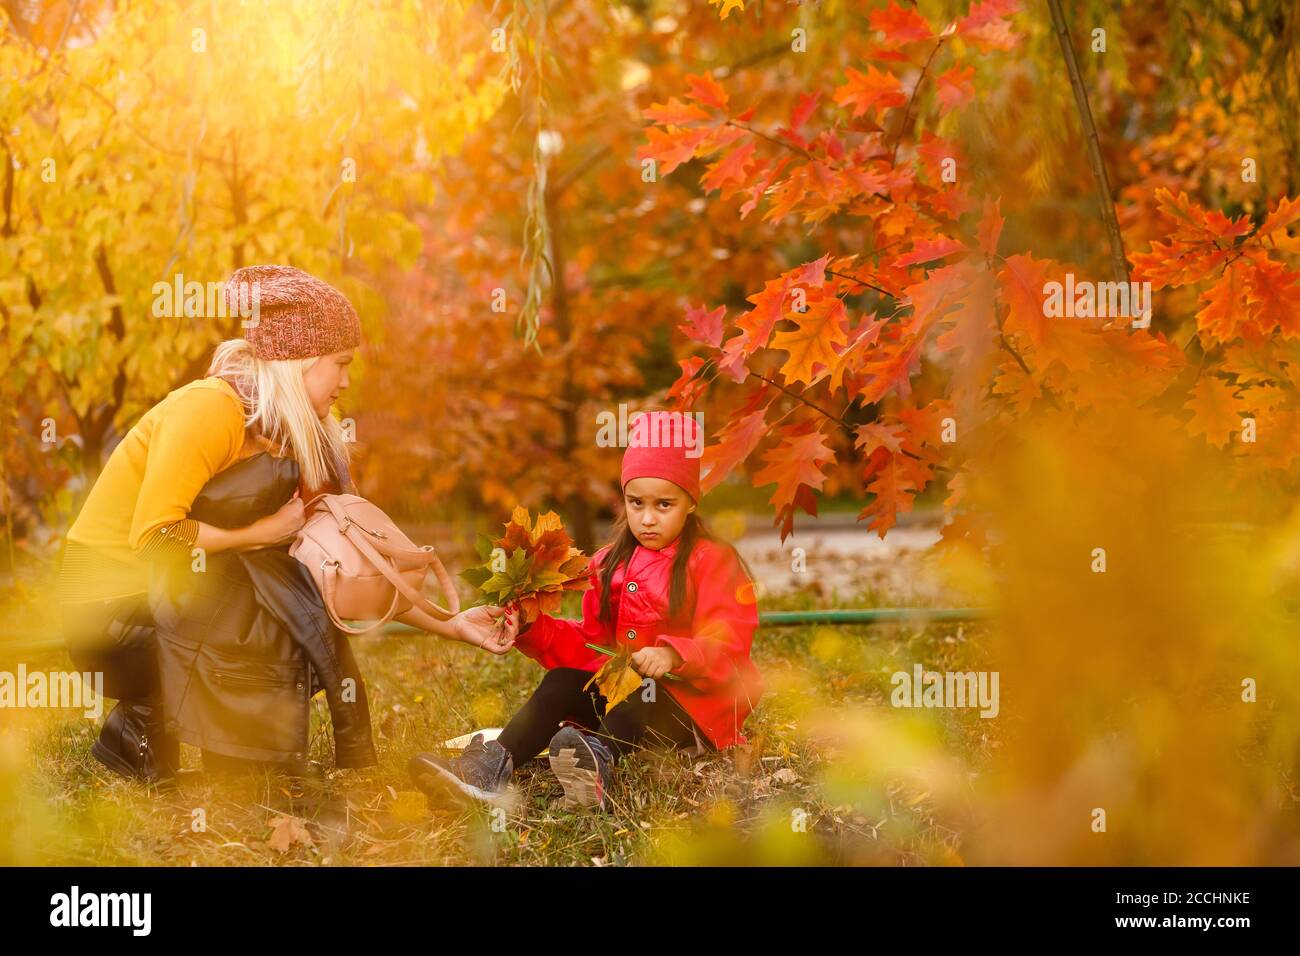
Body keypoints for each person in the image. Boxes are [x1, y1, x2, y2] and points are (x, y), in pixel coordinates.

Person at [58, 264, 510, 783]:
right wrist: (260, 533)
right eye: (339, 364)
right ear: (299, 360)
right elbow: (156, 536)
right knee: (277, 612)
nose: (345, 381)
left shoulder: (298, 436)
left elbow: (346, 570)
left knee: (296, 603)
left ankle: (186, 741)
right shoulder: (211, 409)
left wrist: (451, 623)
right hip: (105, 615)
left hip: (170, 601)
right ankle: (164, 728)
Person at [410, 411, 763, 809]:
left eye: (664, 504)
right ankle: (487, 770)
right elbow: (591, 648)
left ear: (691, 502)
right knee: (563, 681)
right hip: (623, 699)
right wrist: (532, 627)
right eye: (636, 503)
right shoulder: (608, 562)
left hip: (690, 708)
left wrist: (673, 654)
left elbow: (729, 640)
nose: (647, 518)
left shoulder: (711, 560)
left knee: (646, 690)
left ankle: (596, 761)